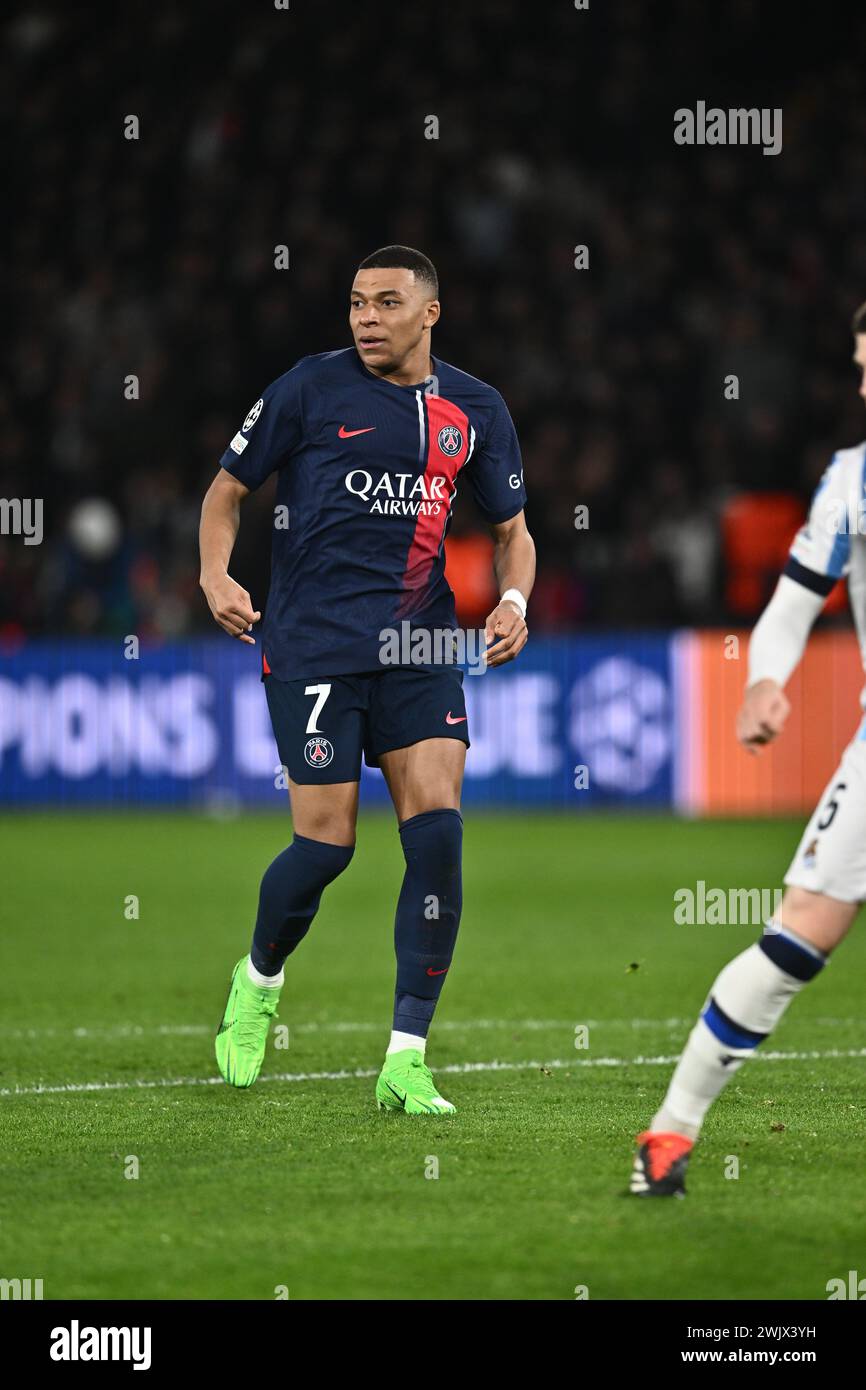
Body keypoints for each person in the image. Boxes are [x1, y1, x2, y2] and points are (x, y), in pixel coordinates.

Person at [199, 245, 535, 1114]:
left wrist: (512, 600)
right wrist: (214, 574)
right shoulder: (309, 388)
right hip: (313, 643)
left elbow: (513, 530)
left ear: (431, 312)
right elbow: (226, 490)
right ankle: (259, 980)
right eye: (355, 302)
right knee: (326, 847)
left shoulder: (477, 408)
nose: (365, 318)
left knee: (438, 837)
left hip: (421, 645)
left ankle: (405, 1057)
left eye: (386, 303)